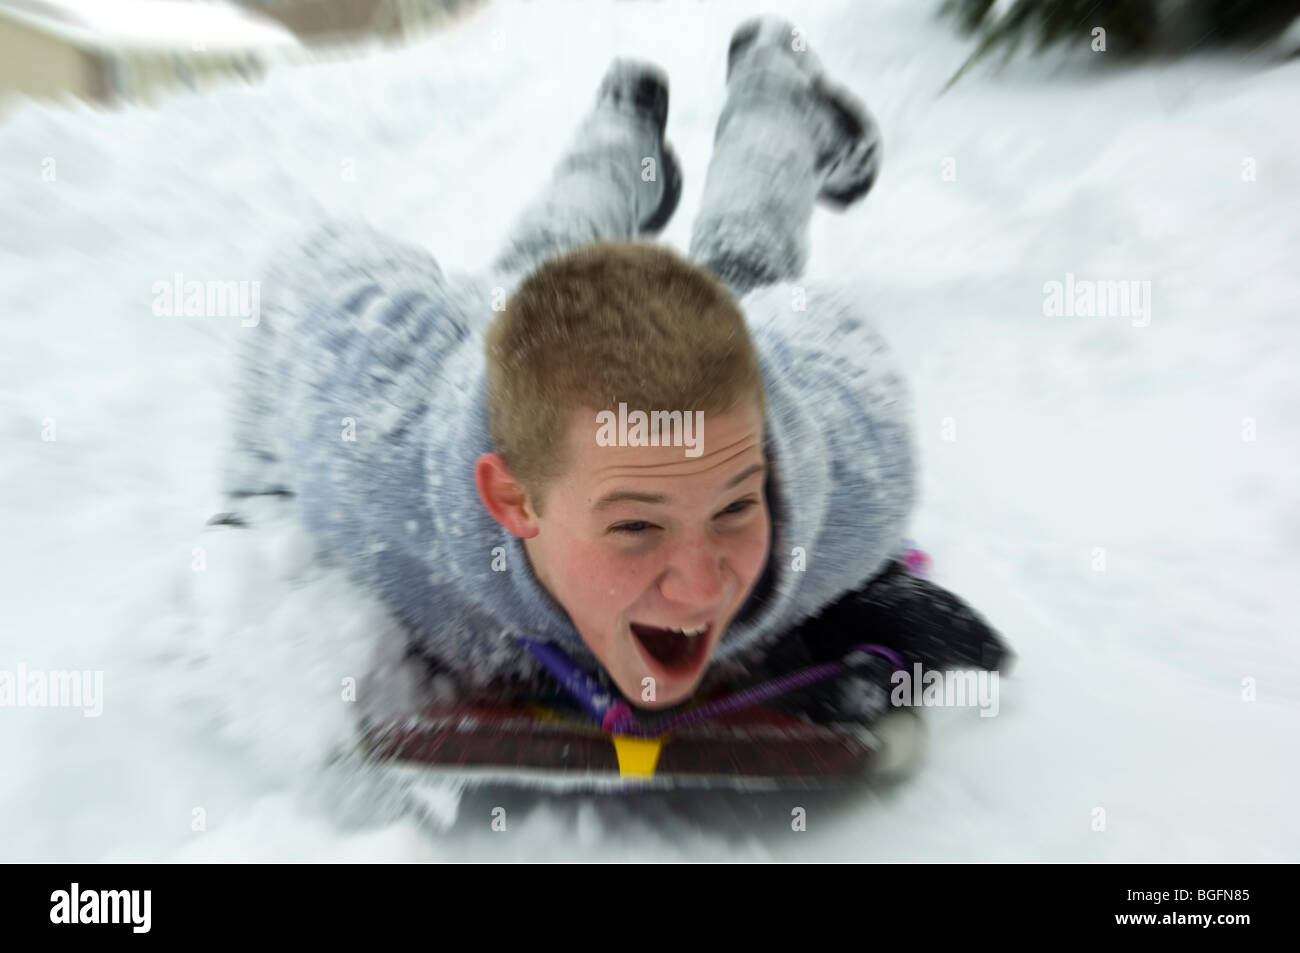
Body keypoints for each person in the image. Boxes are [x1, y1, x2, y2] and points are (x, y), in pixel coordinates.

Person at [222, 17, 1011, 754]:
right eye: (636, 526)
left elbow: (838, 338)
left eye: (737, 506)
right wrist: (254, 518)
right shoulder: (378, 439)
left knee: (743, 268)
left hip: (744, 356)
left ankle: (778, 95)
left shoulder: (851, 482)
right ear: (511, 500)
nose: (702, 585)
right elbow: (305, 277)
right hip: (484, 337)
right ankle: (621, 132)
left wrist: (840, 591)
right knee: (537, 260)